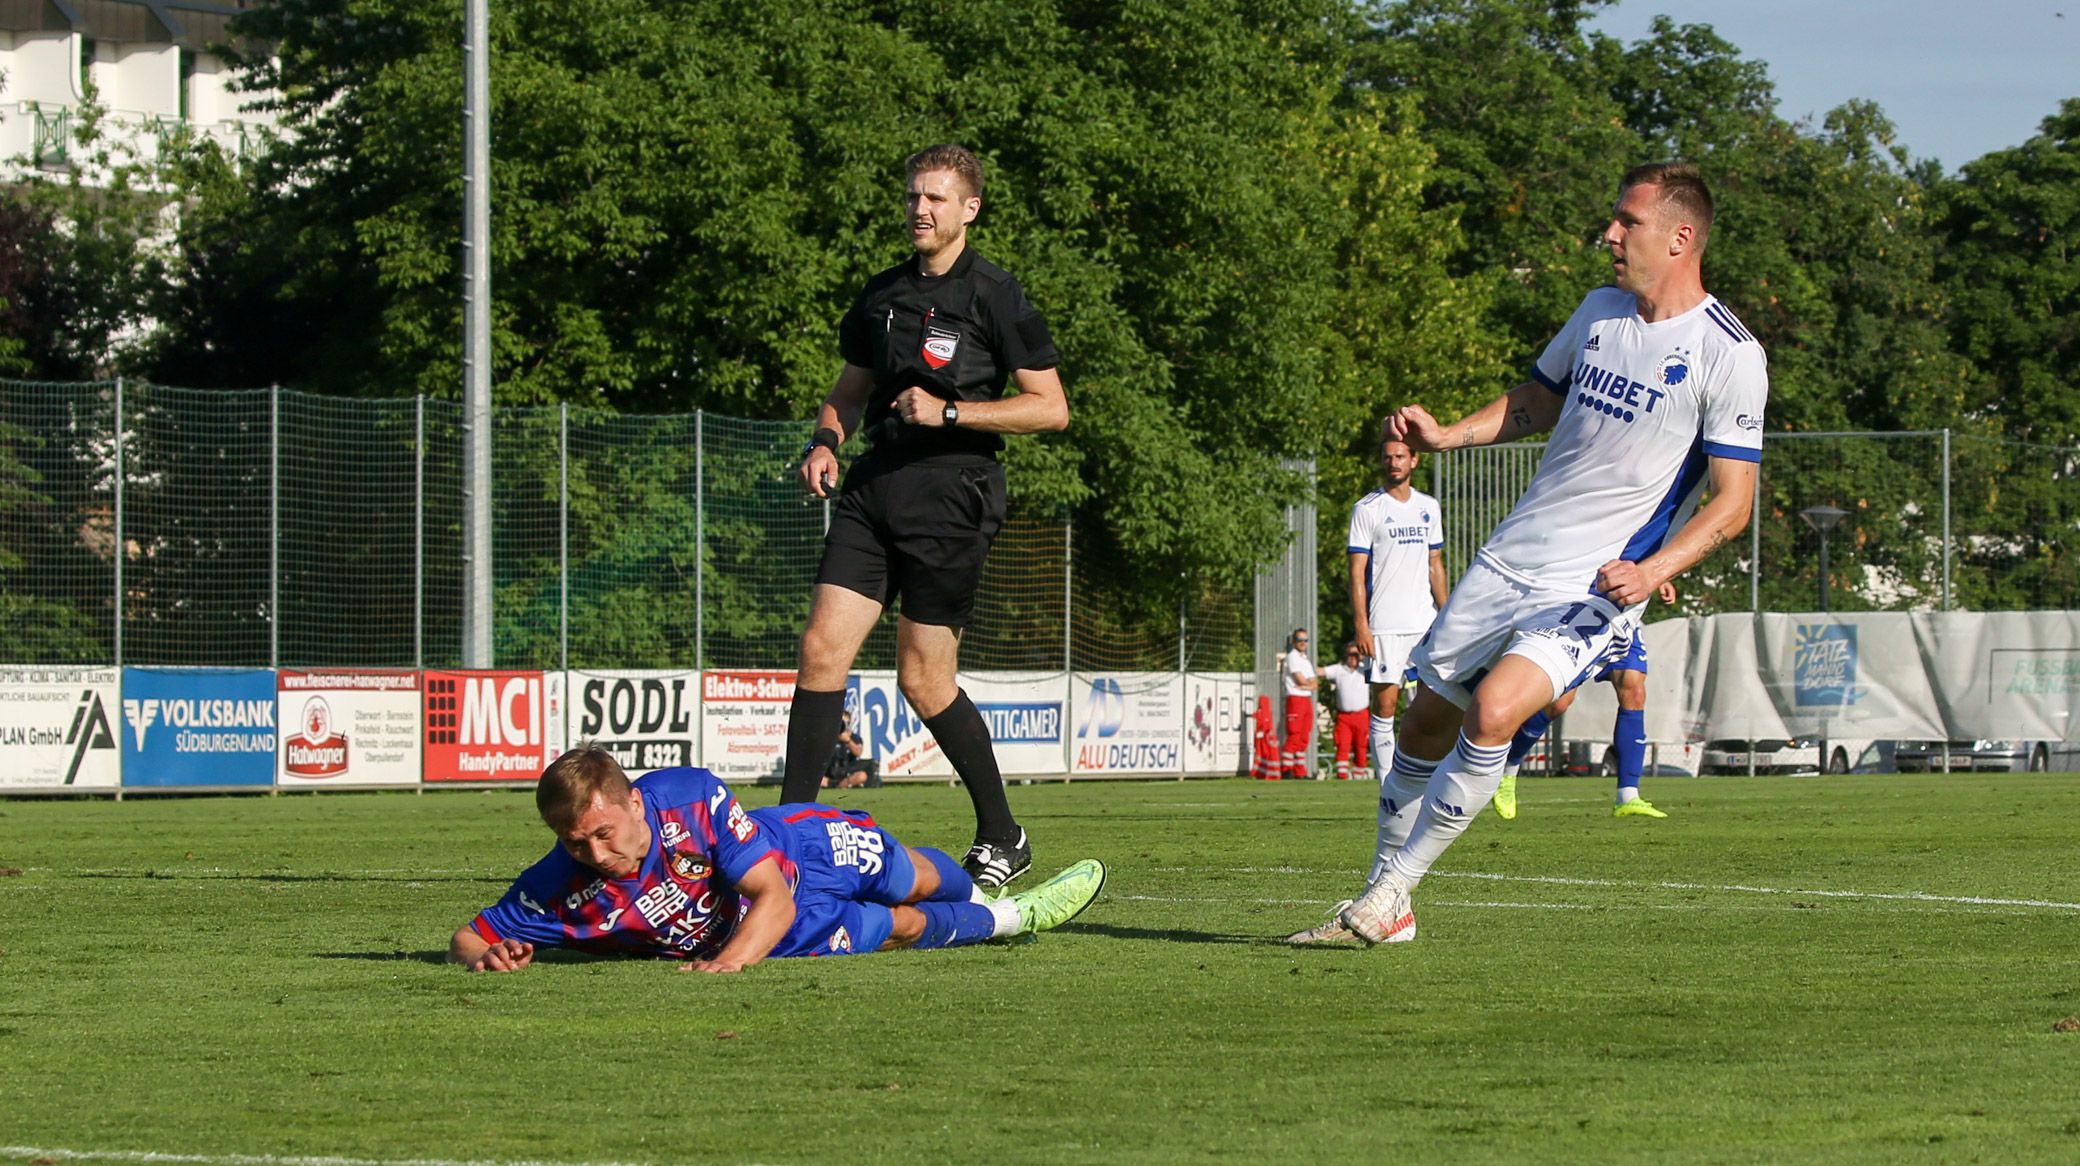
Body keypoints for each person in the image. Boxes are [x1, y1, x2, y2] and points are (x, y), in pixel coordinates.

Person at [1288, 162, 1766, 946]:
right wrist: (1449, 436)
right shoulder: (1600, 312)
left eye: (1628, 222)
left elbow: (1733, 502)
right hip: (1513, 554)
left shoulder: (1728, 353)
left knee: (1496, 710)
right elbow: (1535, 401)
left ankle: (1391, 895)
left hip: (1597, 582)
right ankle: (1387, 901)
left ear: (1681, 238)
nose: (1610, 235)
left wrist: (1651, 572)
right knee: (1420, 731)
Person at [782, 144, 1069, 889]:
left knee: (923, 680)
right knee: (820, 649)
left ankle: (1004, 834)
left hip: (953, 495)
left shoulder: (996, 296)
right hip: (874, 488)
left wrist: (953, 411)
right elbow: (849, 390)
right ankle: (788, 842)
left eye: (937, 199)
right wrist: (825, 442)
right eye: (914, 196)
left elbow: (1051, 408)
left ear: (969, 208)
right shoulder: (881, 295)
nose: (920, 209)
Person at [449, 746, 1106, 973]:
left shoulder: (688, 796)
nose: (594, 853)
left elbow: (773, 891)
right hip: (784, 933)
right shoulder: (560, 884)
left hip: (799, 851)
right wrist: (489, 955)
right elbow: (467, 938)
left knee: (912, 874)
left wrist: (726, 964)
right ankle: (1013, 919)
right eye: (574, 843)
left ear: (636, 805)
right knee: (898, 925)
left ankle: (983, 896)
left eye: (602, 833)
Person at [1493, 583, 1677, 820]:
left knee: (1634, 690)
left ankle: (1628, 796)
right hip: (1585, 613)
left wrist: (1660, 578)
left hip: (1624, 620)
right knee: (1558, 703)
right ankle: (1509, 767)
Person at [1346, 434, 1449, 782]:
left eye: (1401, 456)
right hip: (1385, 623)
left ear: (1414, 461)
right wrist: (1362, 624)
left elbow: (1435, 562)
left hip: (1424, 622)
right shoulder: (1367, 508)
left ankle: (1425, 778)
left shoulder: (1428, 507)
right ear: (1382, 461)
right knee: (1386, 705)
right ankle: (1388, 783)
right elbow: (1357, 572)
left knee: (1430, 705)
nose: (1394, 462)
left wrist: (1446, 614)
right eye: (1388, 457)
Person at [1319, 643, 1375, 780]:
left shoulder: (1364, 670)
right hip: (1344, 716)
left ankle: (1359, 774)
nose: (1352, 658)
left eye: (1355, 655)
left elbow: (1377, 665)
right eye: (1350, 654)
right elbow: (1320, 671)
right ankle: (1341, 774)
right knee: (1342, 745)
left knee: (1361, 746)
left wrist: (1366, 654)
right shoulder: (1339, 669)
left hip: (1361, 714)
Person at [1279, 629, 1319, 779]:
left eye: (1305, 640)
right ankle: (1286, 769)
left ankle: (1299, 770)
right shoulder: (1292, 657)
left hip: (1305, 698)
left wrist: (1309, 685)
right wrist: (1309, 684)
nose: (1303, 642)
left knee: (1304, 736)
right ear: (1294, 641)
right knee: (1294, 734)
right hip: (1295, 698)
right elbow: (1301, 680)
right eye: (1299, 639)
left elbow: (1314, 683)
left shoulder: (1305, 660)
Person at [821, 704, 880, 791]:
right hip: (831, 775)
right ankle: (838, 786)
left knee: (861, 776)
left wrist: (848, 741)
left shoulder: (855, 738)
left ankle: (840, 785)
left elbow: (858, 752)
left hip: (848, 774)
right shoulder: (829, 737)